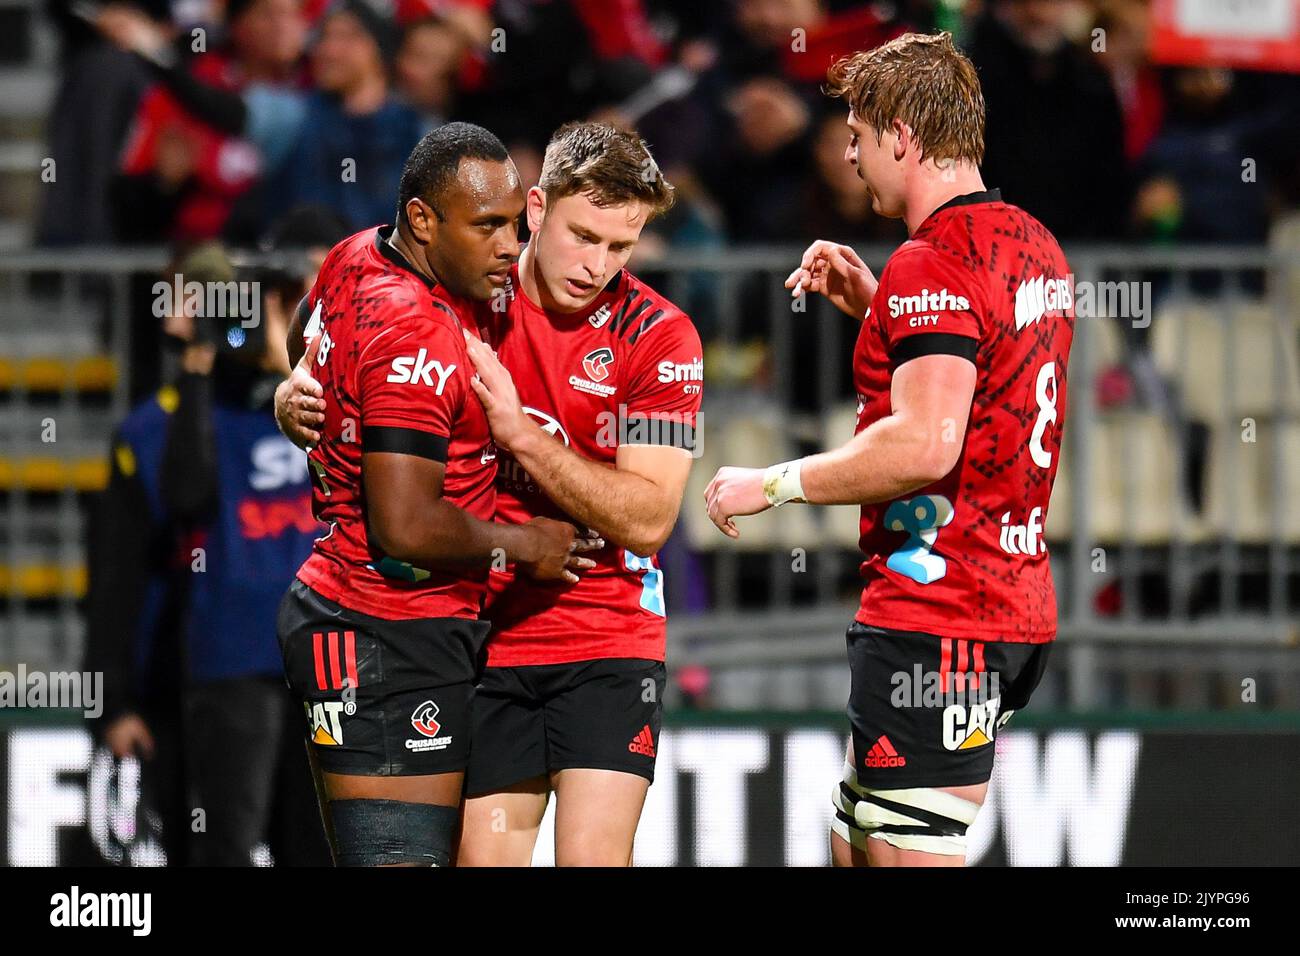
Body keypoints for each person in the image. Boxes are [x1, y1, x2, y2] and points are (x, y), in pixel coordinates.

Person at [279, 122, 701, 866]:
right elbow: (329, 326)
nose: (597, 265)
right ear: (537, 208)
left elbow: (652, 517)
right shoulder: (469, 292)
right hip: (487, 638)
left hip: (606, 634)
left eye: (621, 246)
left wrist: (525, 437)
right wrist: (294, 392)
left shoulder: (664, 338)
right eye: (583, 236)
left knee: (592, 858)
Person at [704, 32, 1073, 867]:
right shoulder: (1035, 246)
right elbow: (986, 387)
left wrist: (773, 484)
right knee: (856, 843)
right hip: (1010, 601)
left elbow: (924, 443)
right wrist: (877, 308)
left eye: (859, 135)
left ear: (902, 136)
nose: (849, 153)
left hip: (942, 614)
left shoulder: (930, 258)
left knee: (899, 855)